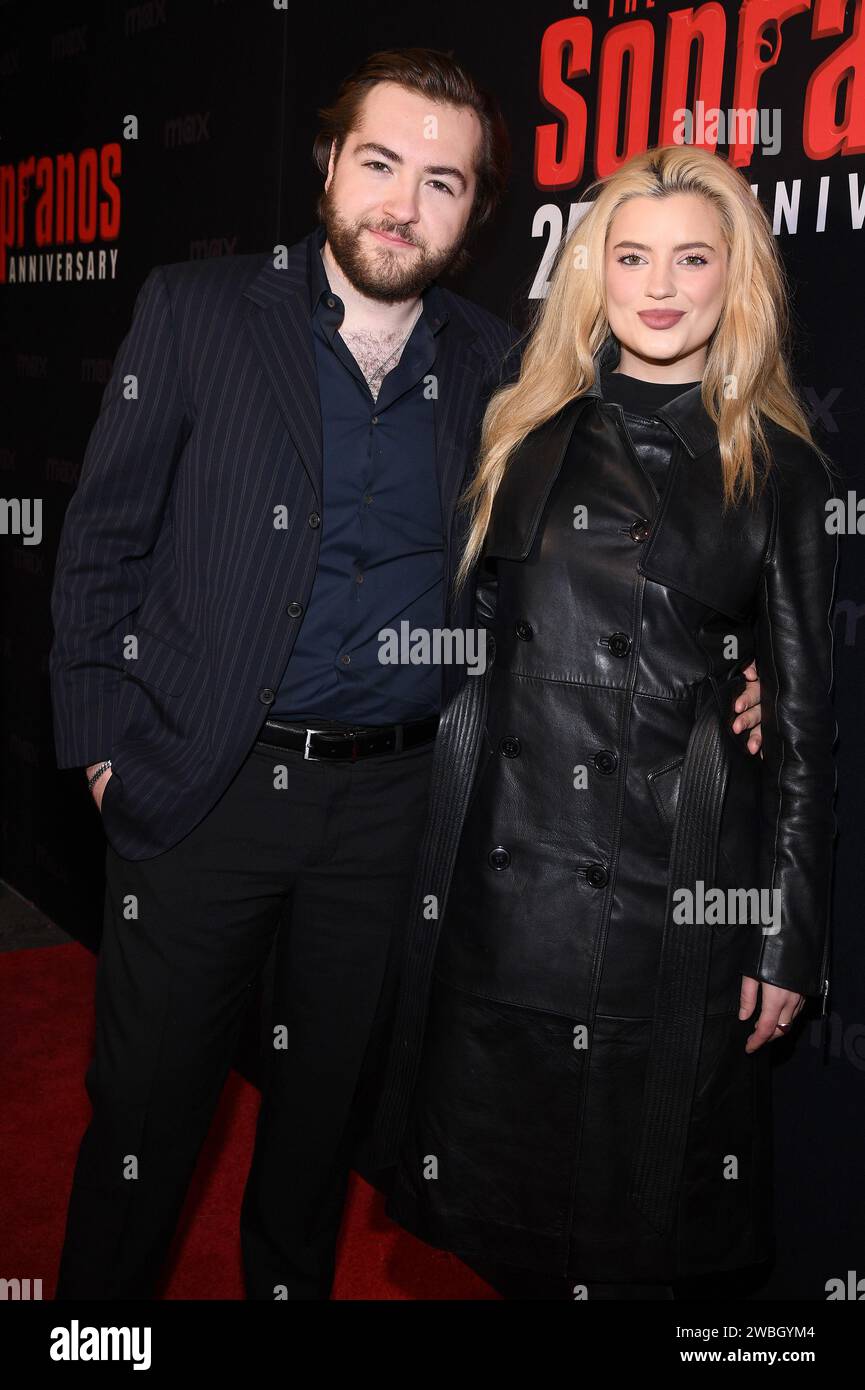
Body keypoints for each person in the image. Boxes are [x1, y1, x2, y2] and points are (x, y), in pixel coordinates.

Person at [48, 49, 763, 1300]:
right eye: (380, 164)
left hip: (391, 813)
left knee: (322, 1120)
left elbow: (602, 545)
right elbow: (101, 541)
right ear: (329, 165)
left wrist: (731, 656)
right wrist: (104, 749)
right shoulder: (199, 310)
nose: (403, 203)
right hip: (200, 788)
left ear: (473, 209)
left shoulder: (498, 367)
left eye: (442, 181)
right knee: (143, 1119)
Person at [369, 143, 837, 1301]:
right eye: (631, 256)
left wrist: (784, 934)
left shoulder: (774, 466)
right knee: (505, 1220)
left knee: (644, 1230)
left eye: (692, 257)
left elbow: (807, 723)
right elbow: (456, 657)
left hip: (670, 897)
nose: (661, 284)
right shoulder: (515, 430)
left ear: (739, 281)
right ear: (593, 275)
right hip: (506, 893)